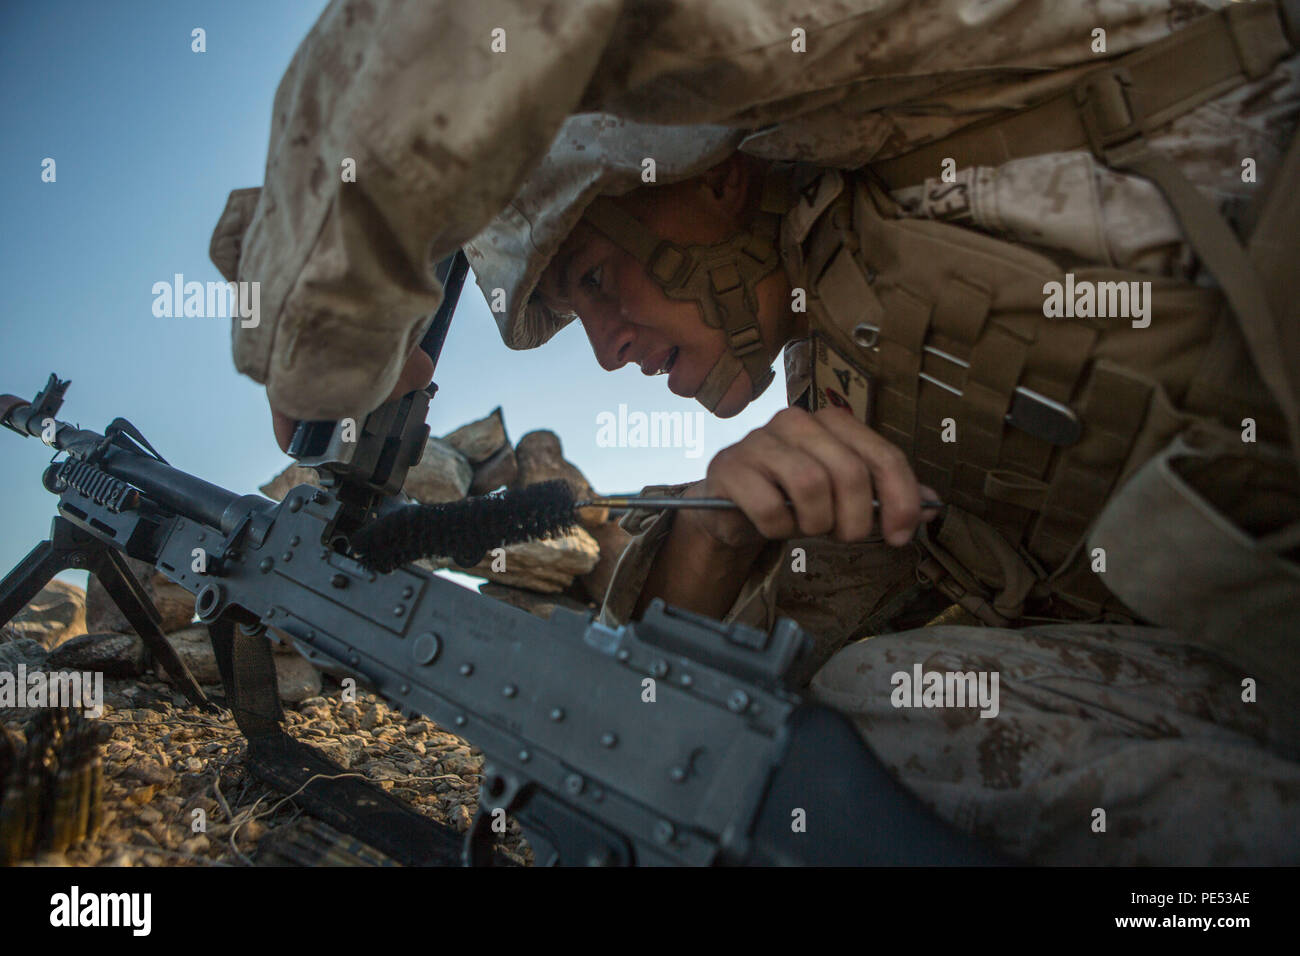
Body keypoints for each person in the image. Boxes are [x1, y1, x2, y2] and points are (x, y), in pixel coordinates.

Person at [210, 0, 1300, 863]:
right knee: (871, 712)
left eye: (599, 277)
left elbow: (498, 25)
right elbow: (737, 701)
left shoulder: (935, 74)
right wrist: (709, 543)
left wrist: (319, 318)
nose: (607, 349)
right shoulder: (838, 372)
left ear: (711, 177)